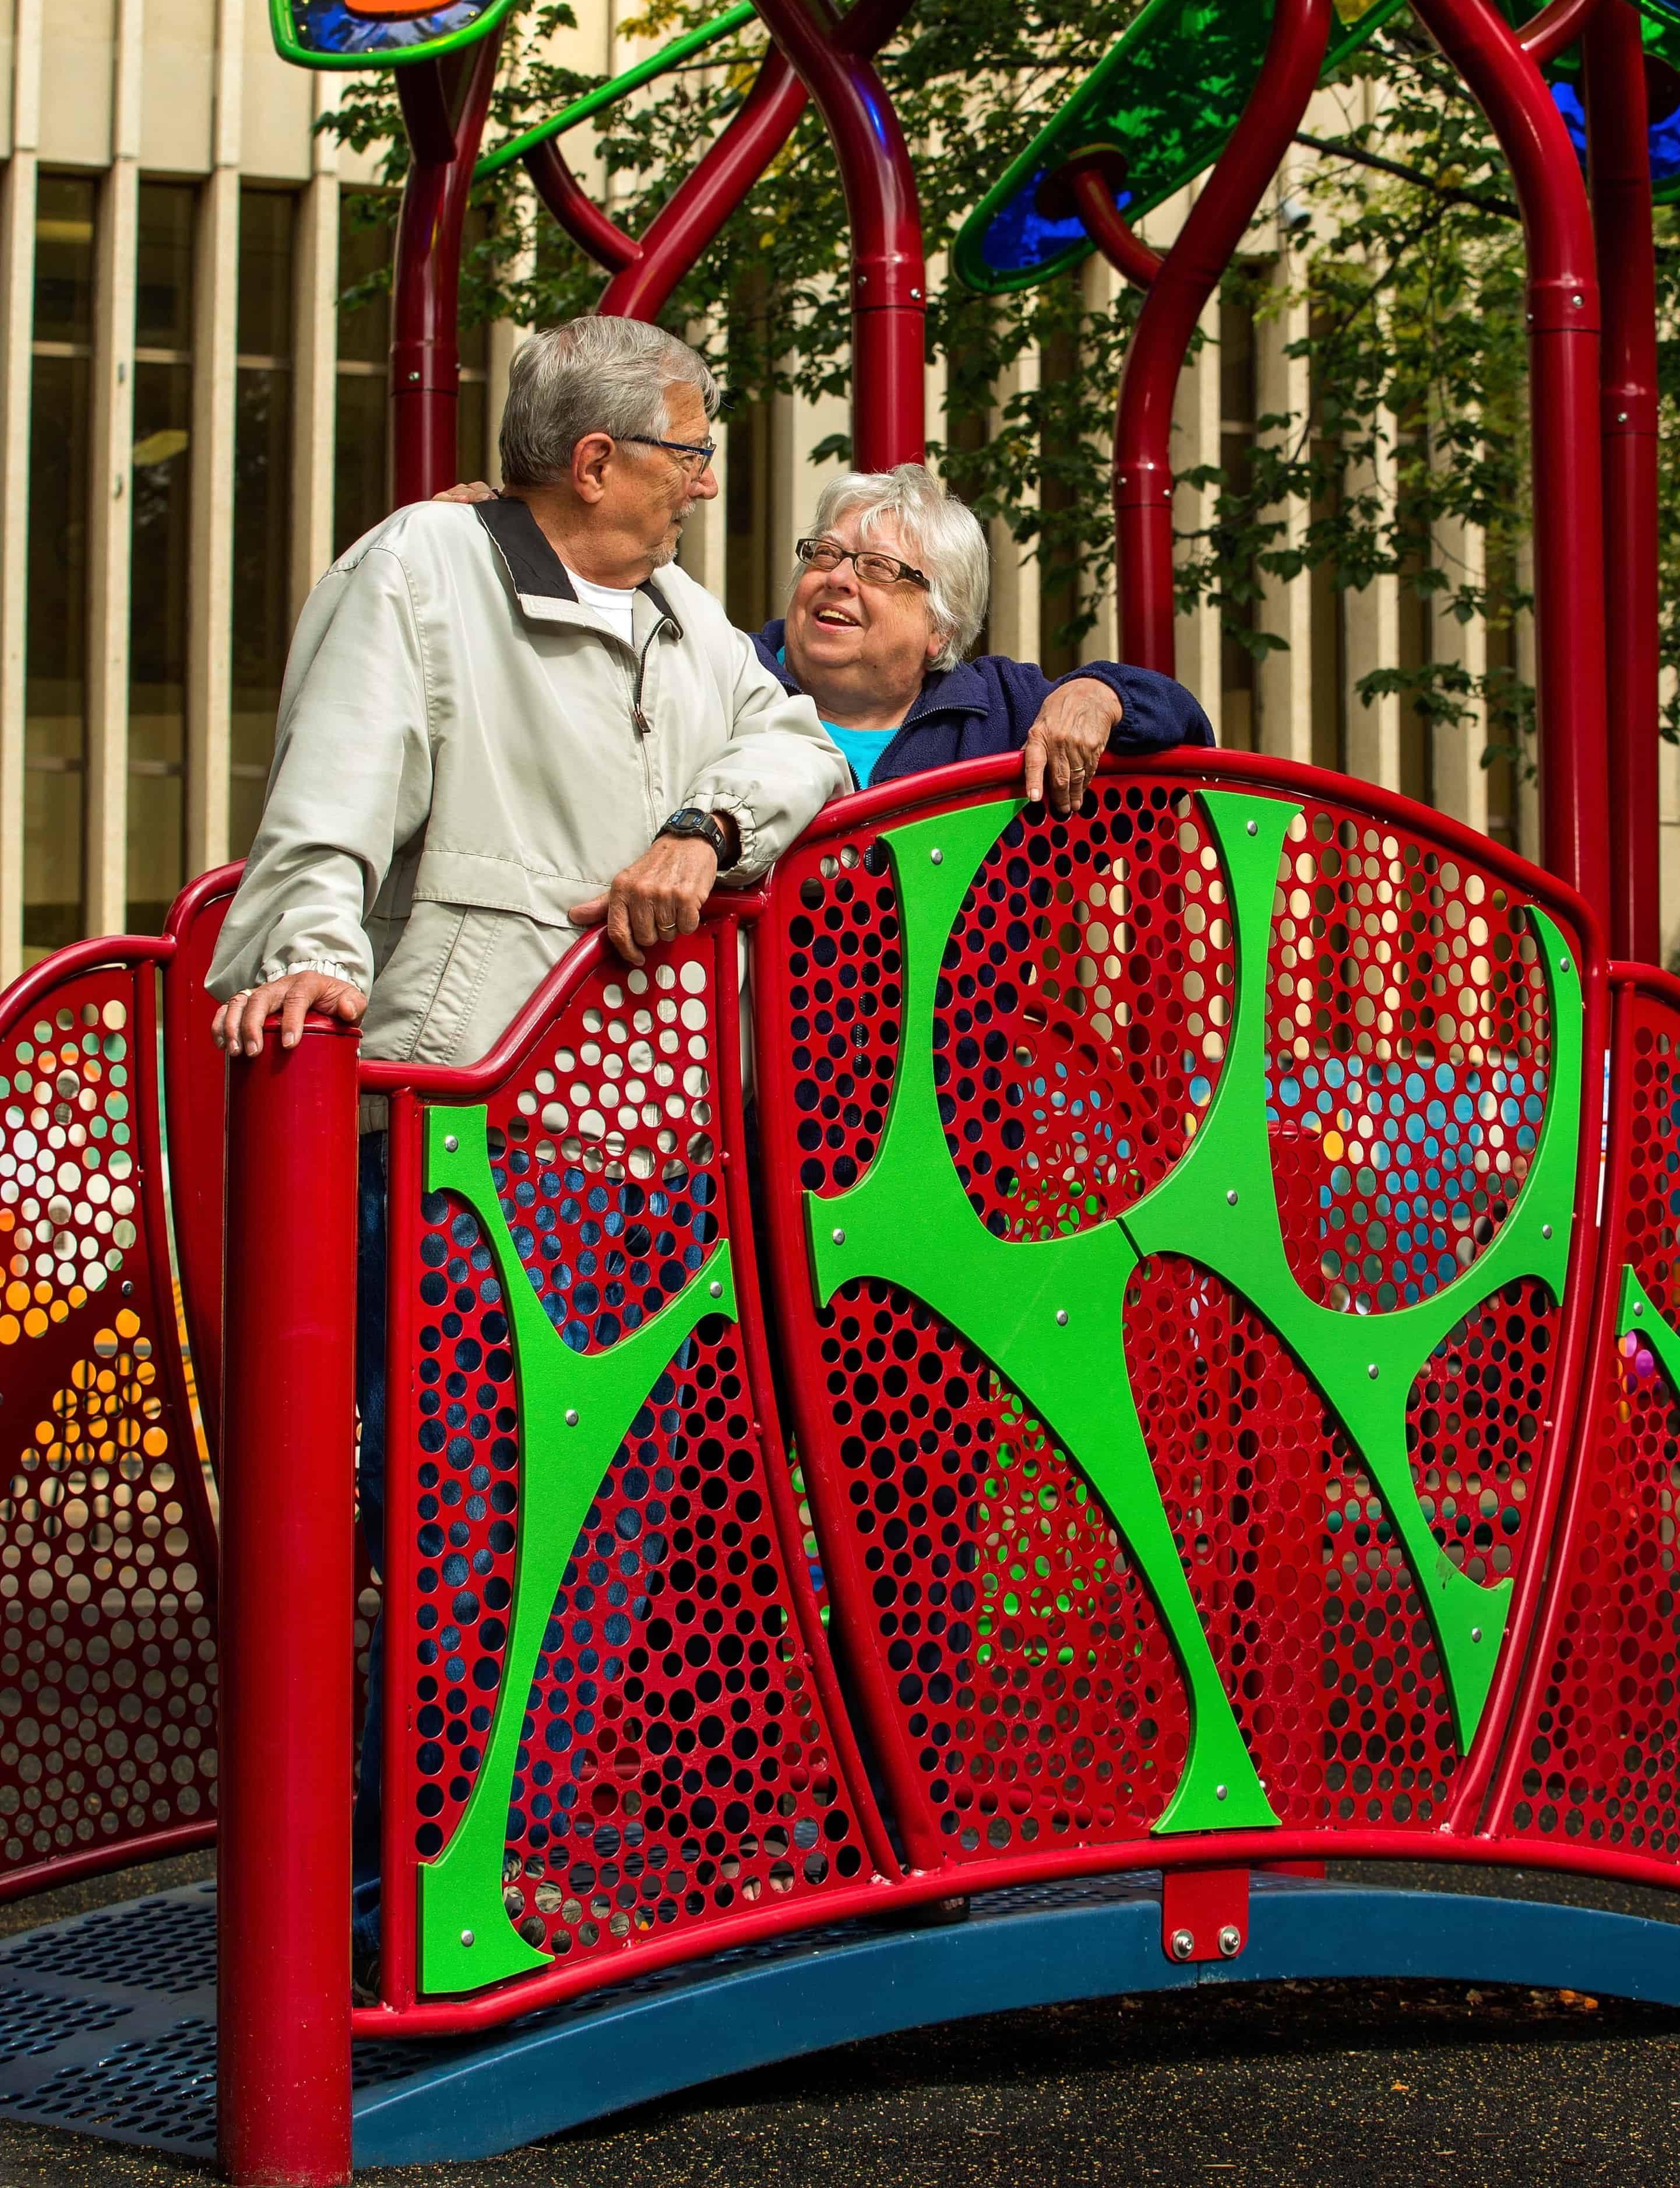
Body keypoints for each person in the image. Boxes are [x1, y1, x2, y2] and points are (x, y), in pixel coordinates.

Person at [206, 312, 847, 1988]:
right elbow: (333, 793)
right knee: (459, 1519)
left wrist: (701, 827)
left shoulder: (681, 615)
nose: (705, 486)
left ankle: (519, 1871)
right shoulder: (426, 569)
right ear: (597, 458)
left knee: (603, 1525)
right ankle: (403, 1904)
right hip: (481, 1126)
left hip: (647, 1135)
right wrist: (309, 959)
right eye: (690, 454)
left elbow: (796, 744)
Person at [756, 462, 1213, 806]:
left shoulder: (1003, 710)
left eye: (877, 566)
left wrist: (1101, 695)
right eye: (825, 553)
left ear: (941, 628)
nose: (837, 578)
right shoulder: (733, 676)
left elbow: (1189, 736)